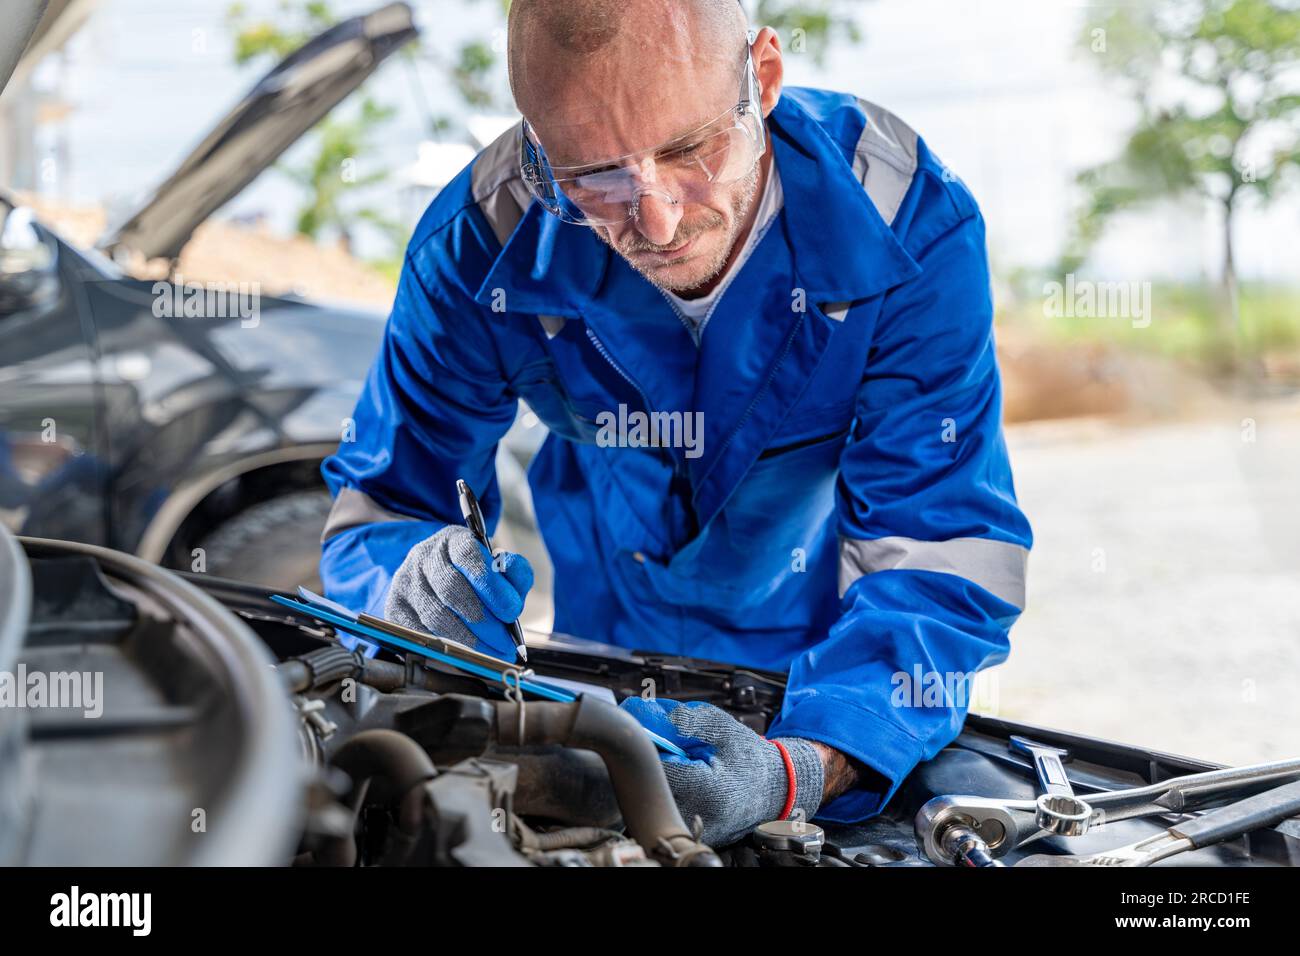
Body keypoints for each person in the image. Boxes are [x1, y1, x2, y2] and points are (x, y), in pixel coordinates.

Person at [320, 0, 1032, 847]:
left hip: (825, 647)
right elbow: (384, 508)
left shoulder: (905, 216)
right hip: (600, 646)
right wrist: (410, 584)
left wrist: (808, 763)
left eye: (691, 150)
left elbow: (940, 547)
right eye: (595, 176)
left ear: (762, 77)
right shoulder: (480, 242)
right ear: (536, 143)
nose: (656, 222)